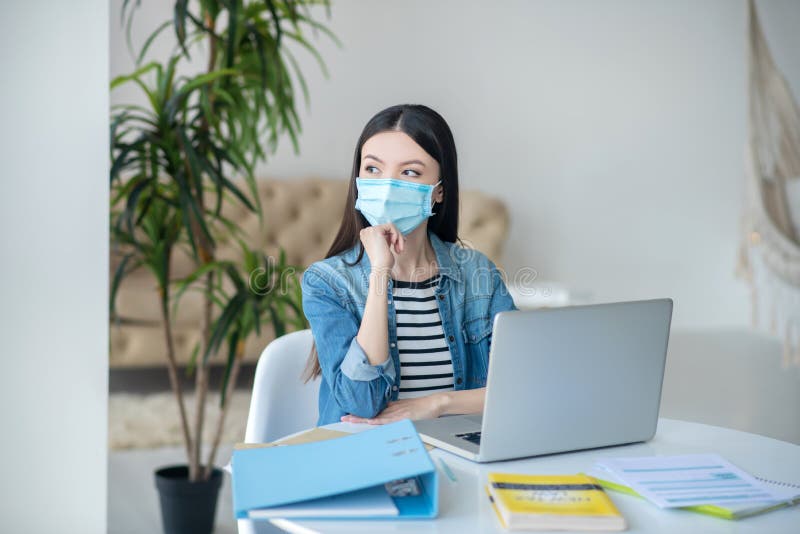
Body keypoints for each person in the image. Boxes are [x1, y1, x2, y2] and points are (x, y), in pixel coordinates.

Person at [301, 103, 517, 426]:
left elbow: (519, 388)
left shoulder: (477, 274)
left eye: (410, 172)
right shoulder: (327, 281)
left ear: (439, 191)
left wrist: (436, 404)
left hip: (456, 457)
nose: (387, 186)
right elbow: (362, 402)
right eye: (373, 169)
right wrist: (380, 272)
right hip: (363, 460)